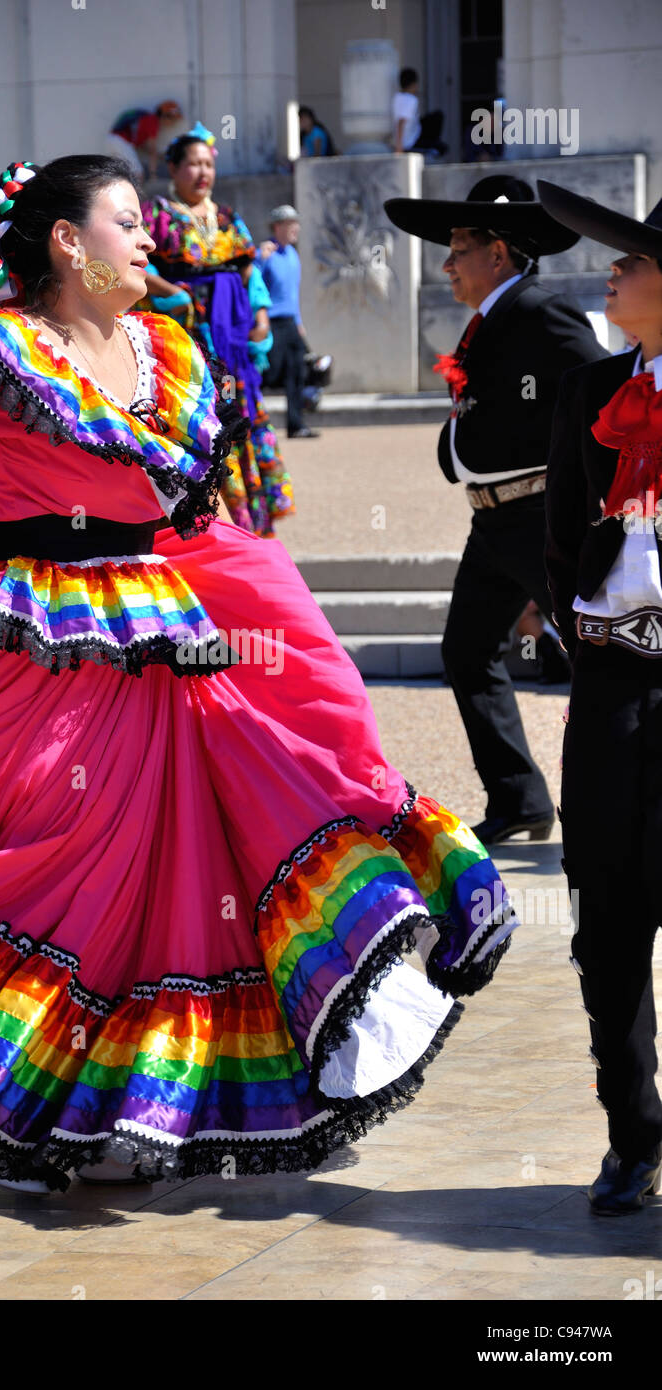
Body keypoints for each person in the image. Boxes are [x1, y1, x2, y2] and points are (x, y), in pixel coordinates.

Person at [0, 154, 516, 1195]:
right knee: (67, 872)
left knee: (191, 877)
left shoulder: (170, 353)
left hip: (174, 640)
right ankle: (51, 1101)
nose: (146, 237)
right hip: (44, 653)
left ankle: (128, 1111)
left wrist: (269, 626)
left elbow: (204, 518)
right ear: (62, 241)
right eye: (126, 219)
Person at [384, 176, 606, 847]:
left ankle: (616, 805)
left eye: (458, 247)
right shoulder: (492, 318)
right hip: (494, 522)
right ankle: (519, 798)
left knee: (602, 657)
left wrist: (584, 496)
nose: (446, 263)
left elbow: (601, 393)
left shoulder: (539, 311)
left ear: (499, 253)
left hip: (539, 517)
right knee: (466, 649)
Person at [540, 178, 662, 1215]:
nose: (609, 271)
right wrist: (583, 636)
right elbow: (555, 541)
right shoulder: (588, 392)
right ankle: (631, 1130)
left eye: (628, 259)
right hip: (612, 682)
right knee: (604, 916)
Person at [141, 128, 294, 534]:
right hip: (185, 333)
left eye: (208, 163)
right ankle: (206, 517)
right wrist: (169, 290)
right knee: (198, 414)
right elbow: (137, 263)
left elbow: (248, 271)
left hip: (232, 335)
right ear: (173, 168)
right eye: (193, 163)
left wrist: (261, 317)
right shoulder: (155, 214)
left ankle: (249, 520)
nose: (202, 171)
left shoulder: (228, 217)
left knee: (235, 409)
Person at [258, 204, 318, 440]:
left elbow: (292, 294)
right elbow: (253, 287)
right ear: (277, 226)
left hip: (291, 323)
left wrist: (299, 323)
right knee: (266, 375)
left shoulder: (293, 255)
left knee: (298, 373)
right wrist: (259, 261)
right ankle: (253, 424)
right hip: (271, 324)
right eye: (291, 223)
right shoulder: (265, 254)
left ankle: (296, 425)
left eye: (297, 223)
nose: (296, 228)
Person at [107, 100, 183, 179]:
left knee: (119, 175)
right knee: (138, 174)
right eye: (174, 119)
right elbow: (152, 152)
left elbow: (146, 148)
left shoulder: (147, 119)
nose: (174, 122)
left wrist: (159, 156)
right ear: (165, 116)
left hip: (112, 140)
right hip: (121, 140)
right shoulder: (153, 122)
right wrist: (153, 174)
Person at [392, 68, 447, 159]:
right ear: (414, 84)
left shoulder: (397, 97)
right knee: (438, 117)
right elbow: (401, 122)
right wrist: (399, 147)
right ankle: (433, 149)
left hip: (408, 137)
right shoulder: (411, 99)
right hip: (411, 141)